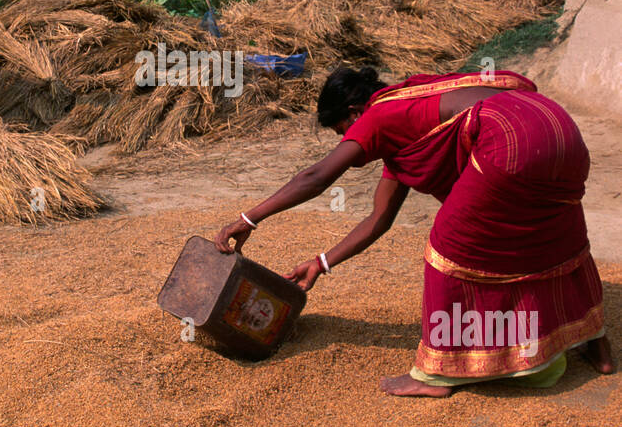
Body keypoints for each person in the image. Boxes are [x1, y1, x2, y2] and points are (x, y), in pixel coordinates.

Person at [215, 65, 613, 397]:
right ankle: (594, 339)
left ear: (355, 112)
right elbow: (378, 219)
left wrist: (248, 219)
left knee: (448, 248)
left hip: (508, 136)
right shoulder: (409, 121)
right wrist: (321, 263)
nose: (347, 142)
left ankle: (436, 374)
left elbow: (317, 176)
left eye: (342, 131)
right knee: (555, 235)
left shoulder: (379, 116)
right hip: (556, 126)